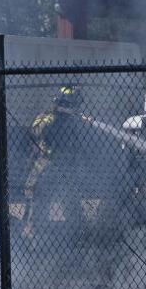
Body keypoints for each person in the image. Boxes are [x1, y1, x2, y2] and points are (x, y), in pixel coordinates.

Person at [22, 86, 85, 230]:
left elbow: (79, 144)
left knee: (71, 199)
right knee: (36, 197)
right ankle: (33, 234)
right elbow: (36, 130)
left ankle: (78, 233)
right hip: (45, 164)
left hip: (65, 167)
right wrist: (54, 117)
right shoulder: (48, 115)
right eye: (72, 105)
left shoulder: (73, 121)